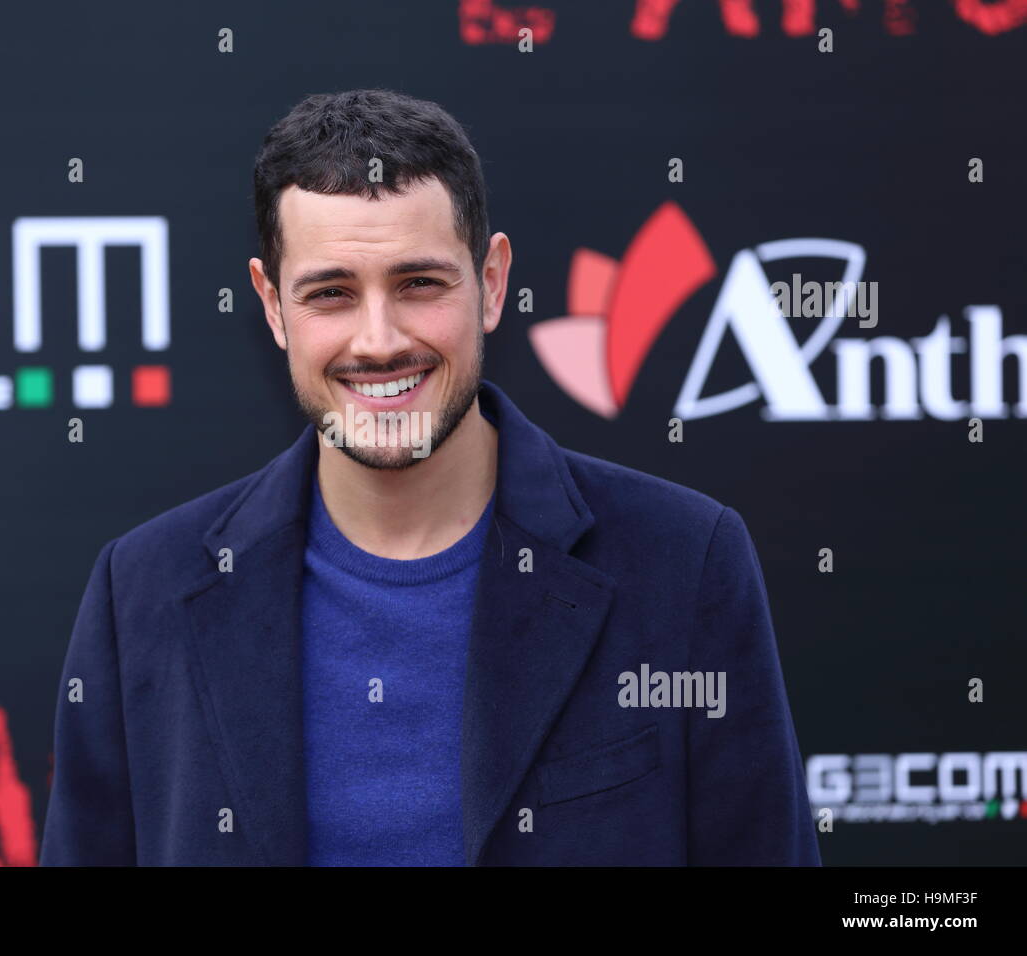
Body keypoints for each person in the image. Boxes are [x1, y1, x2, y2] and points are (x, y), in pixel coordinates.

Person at [40, 88, 821, 866]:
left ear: (490, 282)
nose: (378, 341)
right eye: (331, 293)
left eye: (419, 283)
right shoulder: (144, 590)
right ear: (273, 307)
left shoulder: (683, 561)